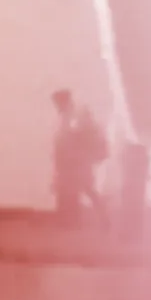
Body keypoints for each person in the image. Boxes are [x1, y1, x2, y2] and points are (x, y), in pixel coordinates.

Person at [50, 88, 108, 226]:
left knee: (86, 189)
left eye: (58, 102)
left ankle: (103, 218)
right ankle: (73, 220)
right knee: (76, 189)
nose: (56, 105)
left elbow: (75, 137)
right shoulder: (68, 115)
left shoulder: (74, 116)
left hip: (77, 161)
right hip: (71, 161)